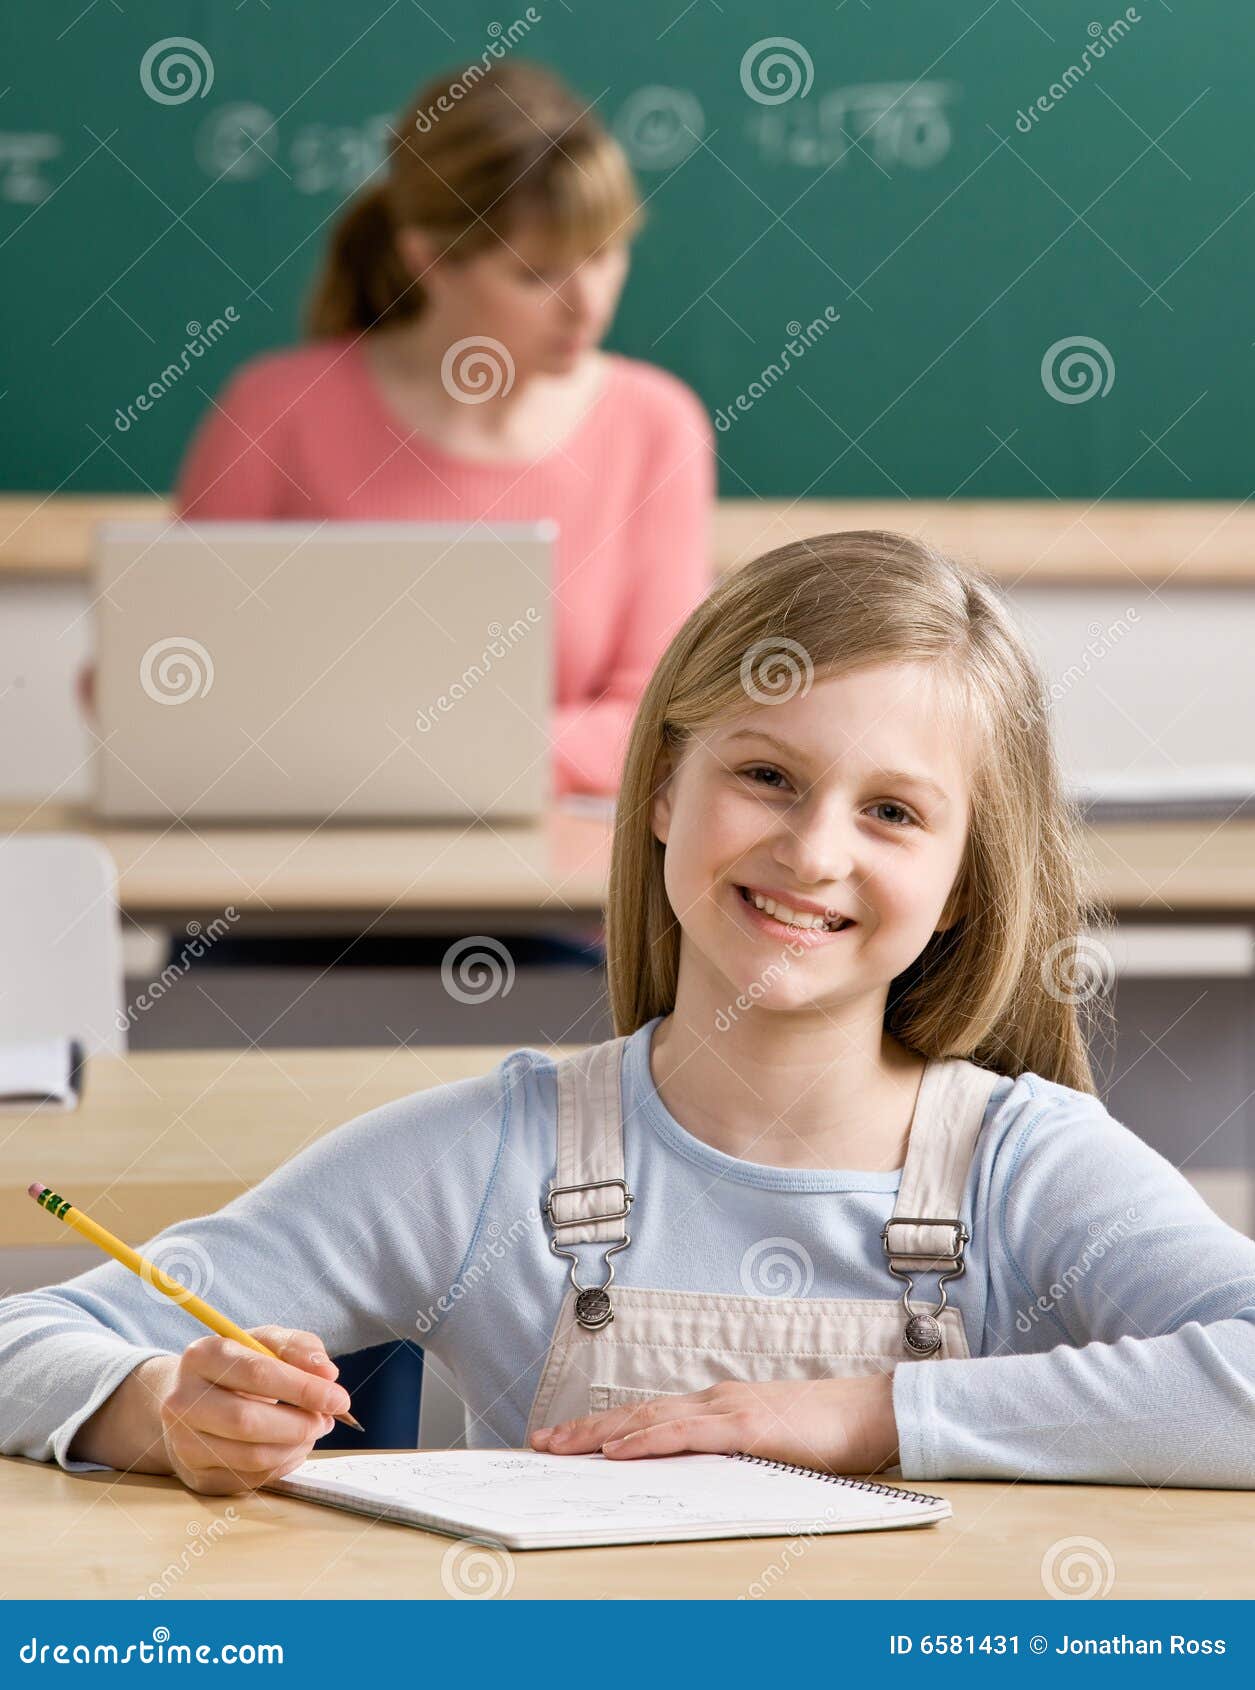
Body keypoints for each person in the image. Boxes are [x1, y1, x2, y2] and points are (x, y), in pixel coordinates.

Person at [6, 531, 1253, 1492]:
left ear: (964, 881)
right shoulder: (492, 1161)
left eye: (892, 811)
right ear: (661, 790)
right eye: (765, 774)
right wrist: (162, 1406)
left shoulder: (1018, 1167)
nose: (814, 851)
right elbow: (30, 1336)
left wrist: (863, 1413)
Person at [171, 59, 714, 797]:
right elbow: (166, 683)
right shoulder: (273, 410)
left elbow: (660, 724)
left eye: (604, 253)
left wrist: (403, 746)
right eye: (535, 274)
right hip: (298, 844)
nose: (586, 304)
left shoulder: (655, 426)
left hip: (545, 858)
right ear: (429, 260)